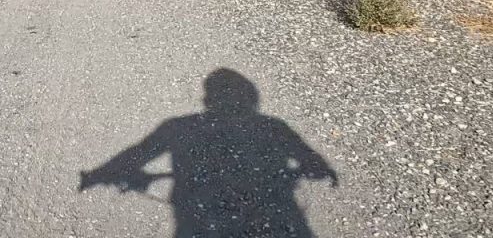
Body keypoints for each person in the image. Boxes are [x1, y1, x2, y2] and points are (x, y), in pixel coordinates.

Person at [80, 68, 337, 237]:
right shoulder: (274, 125)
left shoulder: (177, 126)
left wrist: (99, 175)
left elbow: (140, 152)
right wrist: (319, 167)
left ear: (206, 99)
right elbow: (305, 154)